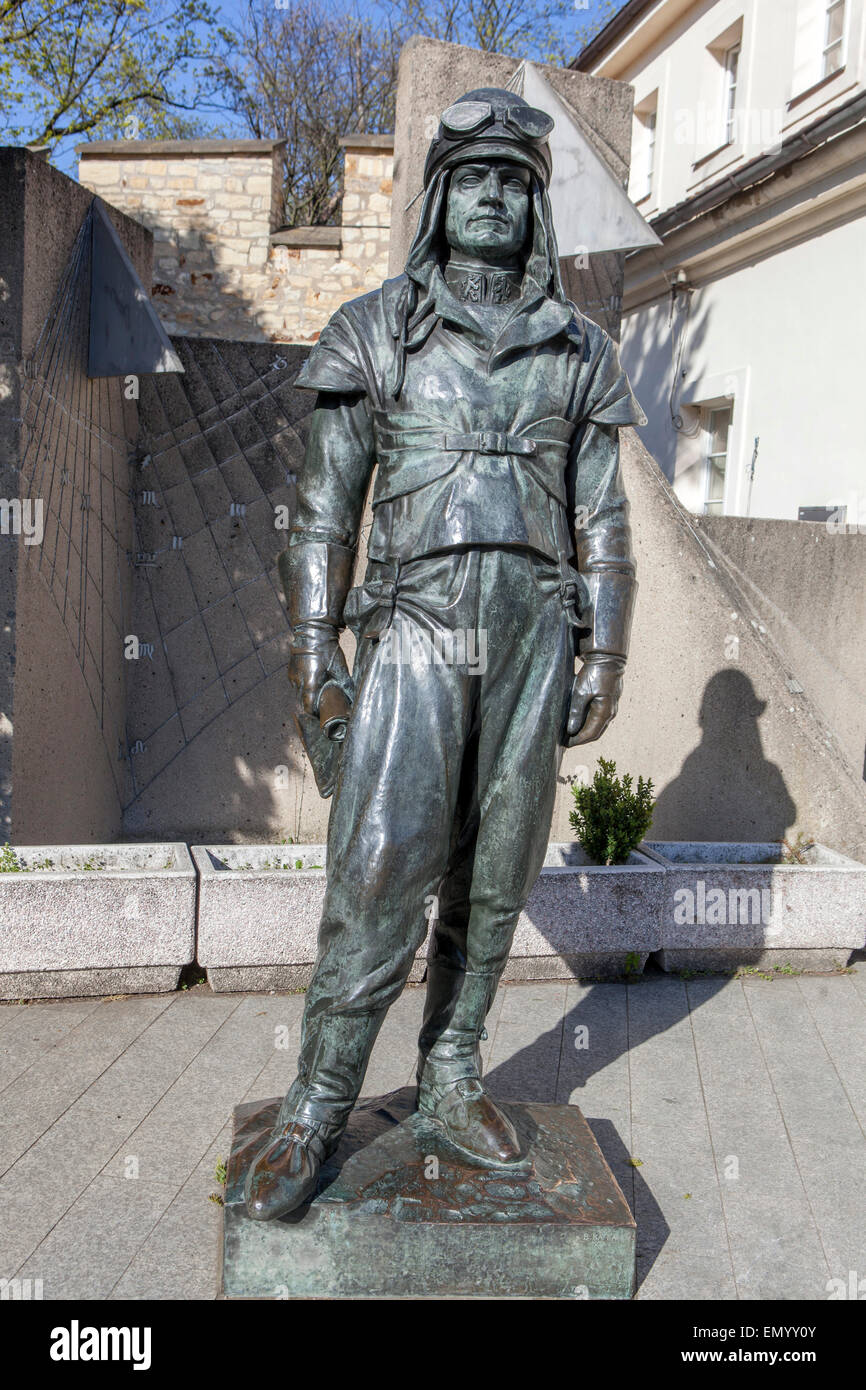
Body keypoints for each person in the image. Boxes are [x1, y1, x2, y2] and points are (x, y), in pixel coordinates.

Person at [245, 87, 646, 1221]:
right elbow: (323, 510)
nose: (487, 197)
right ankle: (318, 1102)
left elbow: (602, 521)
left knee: (500, 863)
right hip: (416, 624)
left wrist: (602, 653)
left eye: (510, 181)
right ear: (437, 198)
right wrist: (314, 648)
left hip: (532, 629)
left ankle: (451, 1071)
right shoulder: (375, 330)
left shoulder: (578, 350)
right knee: (378, 866)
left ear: (534, 207)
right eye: (468, 177)